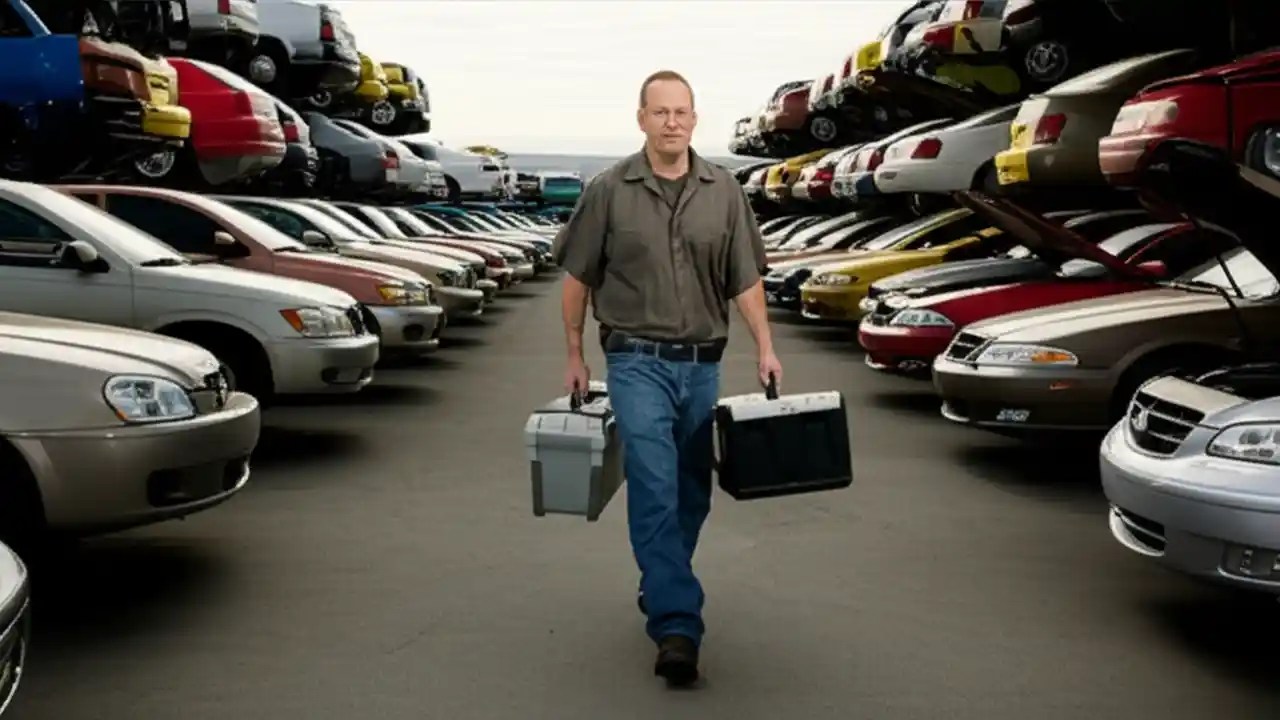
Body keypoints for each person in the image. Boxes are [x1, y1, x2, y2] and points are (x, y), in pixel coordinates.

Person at [551, 69, 782, 687]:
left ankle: (659, 578)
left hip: (702, 366)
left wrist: (766, 346)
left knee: (690, 491)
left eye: (682, 111)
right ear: (642, 118)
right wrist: (575, 354)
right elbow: (577, 278)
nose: (671, 121)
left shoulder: (724, 191)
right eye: (660, 112)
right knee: (653, 480)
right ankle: (679, 625)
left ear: (694, 119)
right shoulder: (608, 190)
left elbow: (745, 280)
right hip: (634, 362)